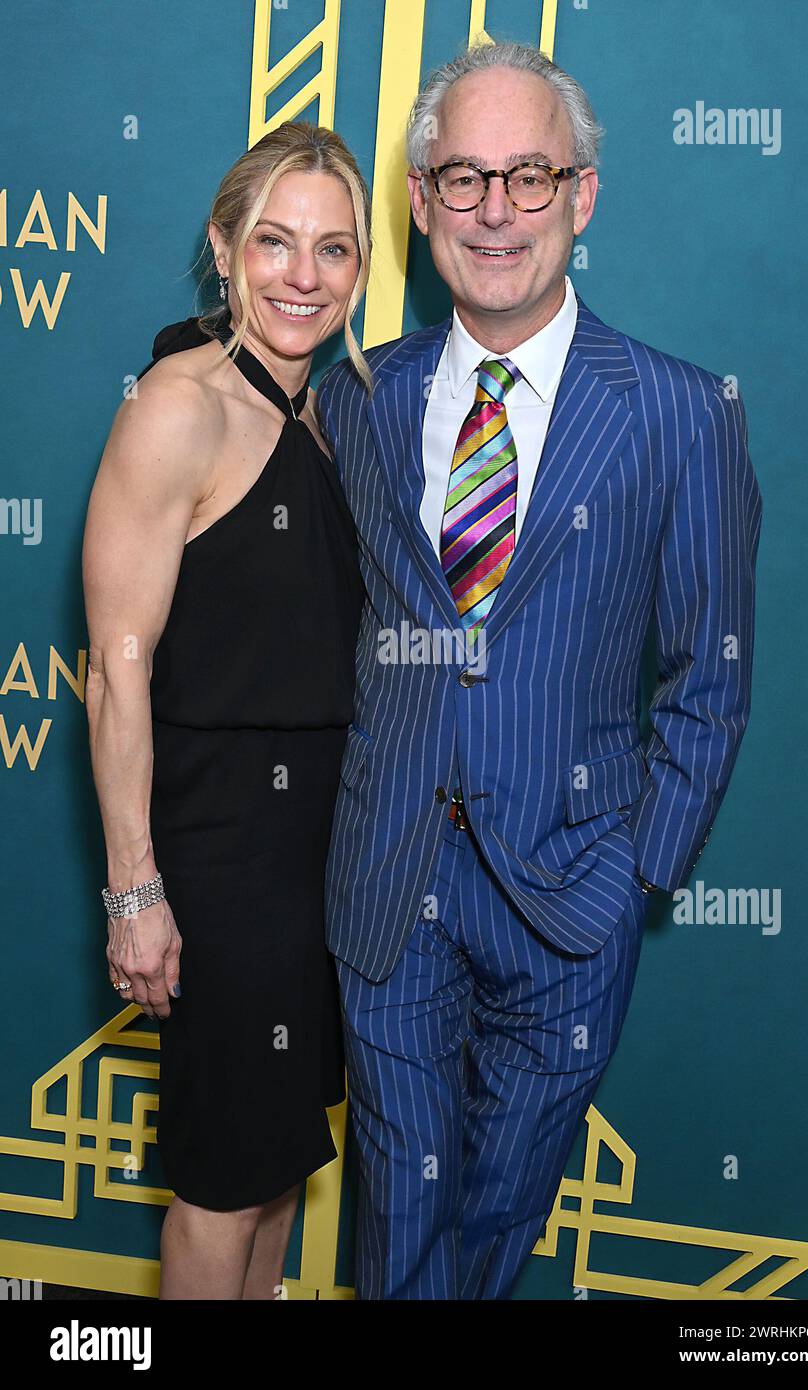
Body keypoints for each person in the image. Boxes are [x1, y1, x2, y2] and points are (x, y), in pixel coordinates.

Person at [316, 42, 762, 1300]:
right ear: (420, 201)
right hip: (390, 884)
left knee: (493, 1232)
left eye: (530, 175)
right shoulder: (361, 398)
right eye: (463, 178)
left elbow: (709, 676)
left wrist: (638, 874)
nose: (496, 211)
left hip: (571, 900)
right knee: (398, 1230)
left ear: (583, 196)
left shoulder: (682, 414)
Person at [82, 122, 369, 1300]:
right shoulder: (178, 408)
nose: (303, 275)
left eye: (334, 250)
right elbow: (115, 667)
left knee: (279, 1164)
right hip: (222, 849)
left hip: (321, 850)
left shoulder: (334, 412)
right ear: (223, 247)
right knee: (219, 1177)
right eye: (274, 243)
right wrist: (136, 890)